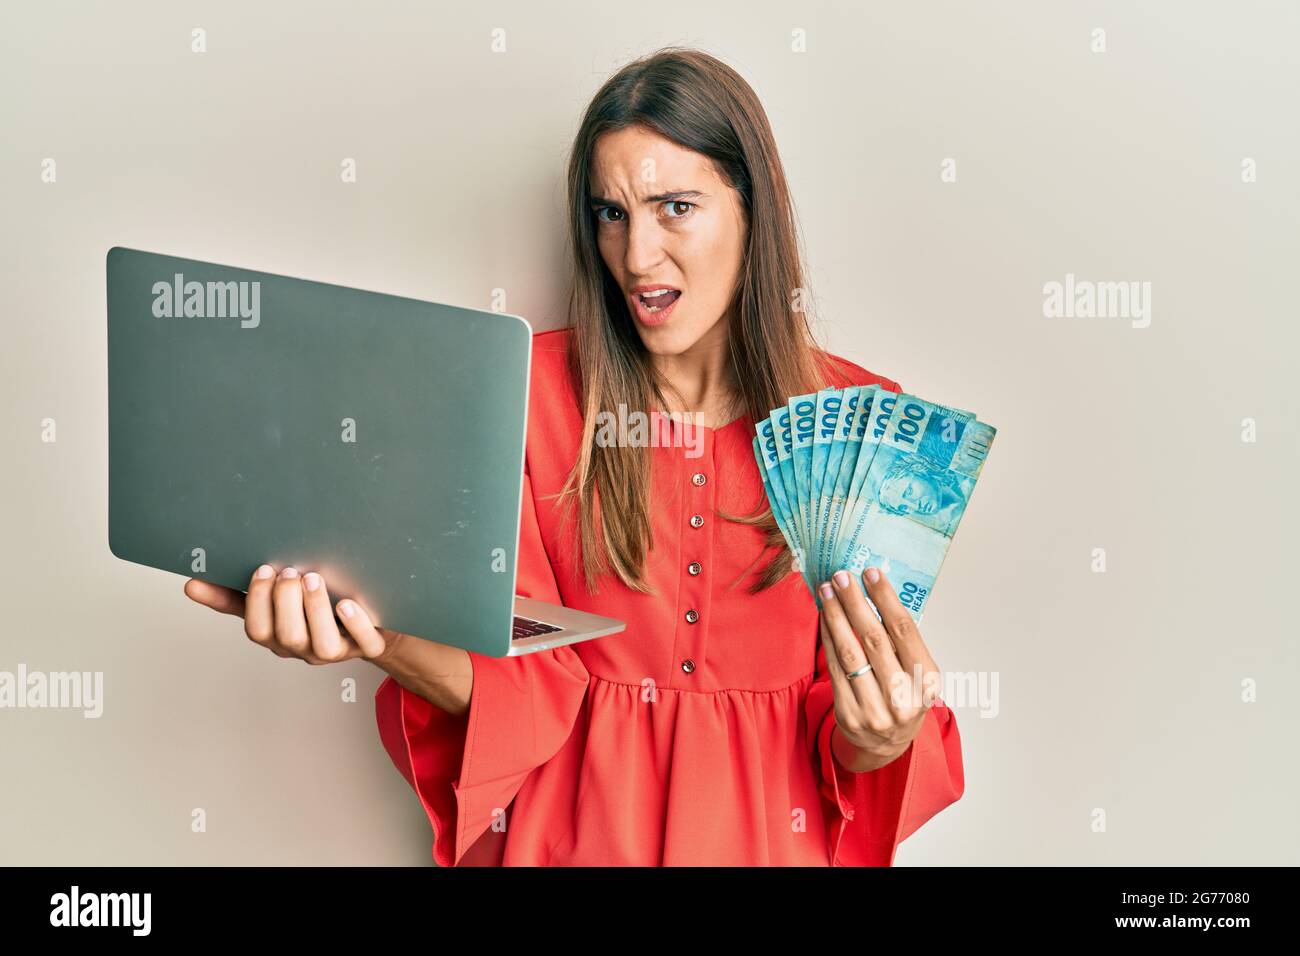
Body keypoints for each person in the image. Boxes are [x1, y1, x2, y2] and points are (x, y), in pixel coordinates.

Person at [184, 46, 964, 866]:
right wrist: (374, 636)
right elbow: (516, 689)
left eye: (675, 207)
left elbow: (852, 742)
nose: (635, 257)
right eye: (611, 213)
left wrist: (882, 735)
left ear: (752, 206)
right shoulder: (523, 398)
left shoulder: (858, 424)